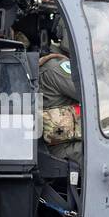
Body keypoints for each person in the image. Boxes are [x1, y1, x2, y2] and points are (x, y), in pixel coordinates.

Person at [39, 18, 82, 164]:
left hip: (71, 139)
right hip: (62, 147)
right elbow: (95, 95)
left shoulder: (63, 64)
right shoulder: (58, 67)